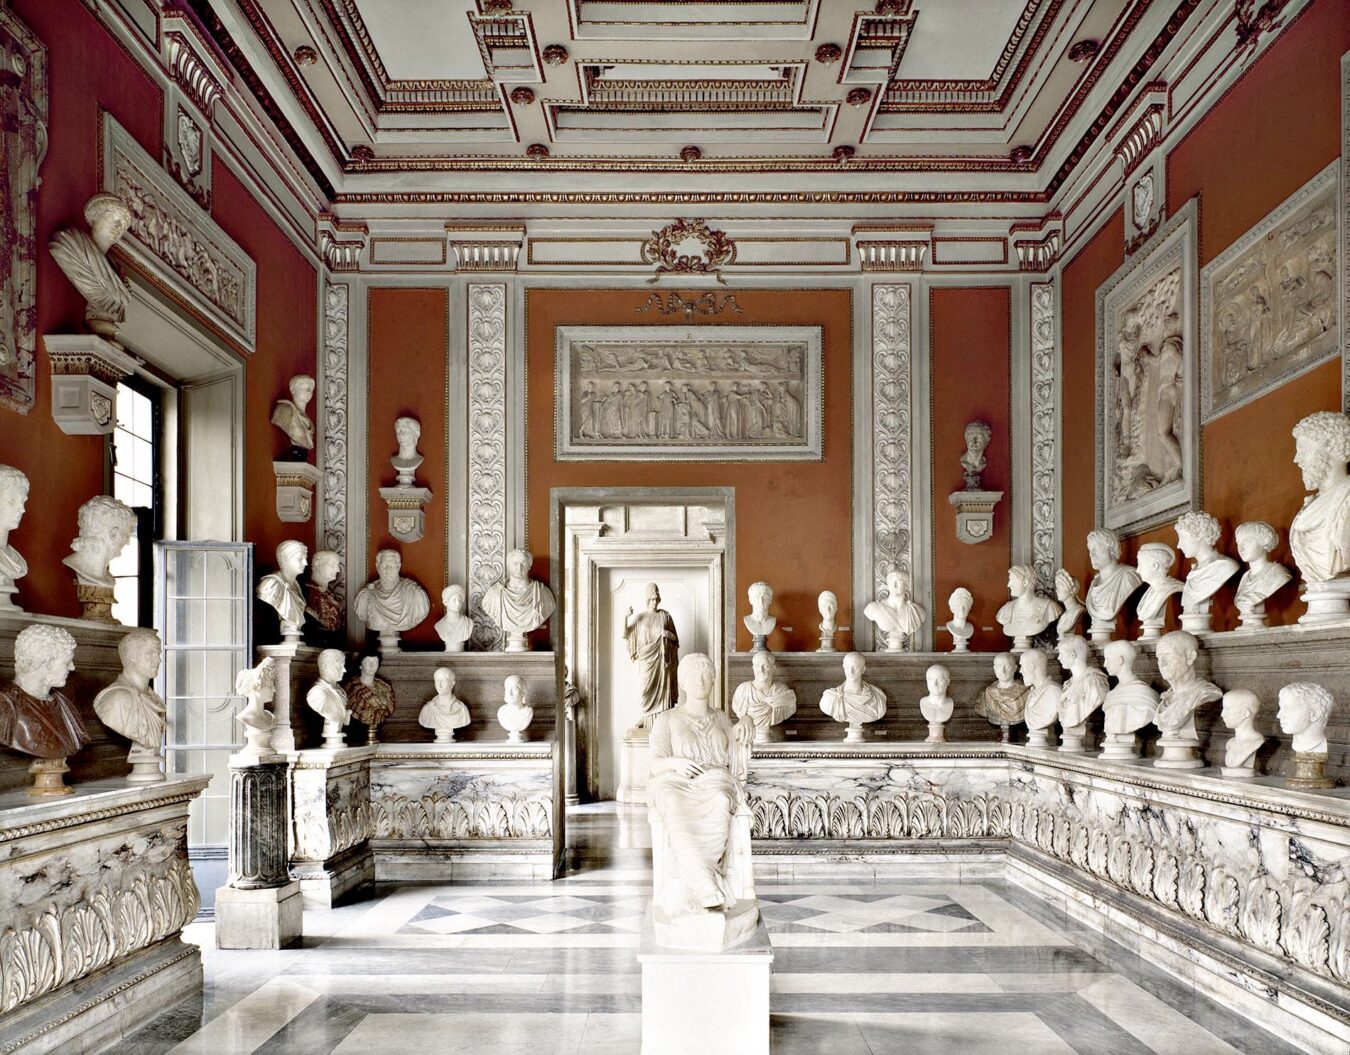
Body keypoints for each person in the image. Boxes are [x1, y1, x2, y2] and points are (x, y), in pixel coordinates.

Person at [649, 653, 754, 916]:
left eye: (707, 673)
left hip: (715, 779)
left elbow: (734, 750)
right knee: (672, 803)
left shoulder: (721, 718)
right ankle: (703, 883)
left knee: (720, 799)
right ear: (682, 682)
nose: (701, 679)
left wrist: (747, 722)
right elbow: (654, 764)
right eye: (694, 674)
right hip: (676, 780)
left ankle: (699, 879)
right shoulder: (666, 719)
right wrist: (675, 763)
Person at [623, 583, 679, 729]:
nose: (655, 602)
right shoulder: (640, 618)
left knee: (663, 690)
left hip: (663, 661)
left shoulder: (665, 616)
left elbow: (676, 640)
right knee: (645, 690)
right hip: (647, 660)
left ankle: (664, 719)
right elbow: (626, 636)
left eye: (657, 598)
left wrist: (667, 634)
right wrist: (625, 617)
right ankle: (645, 715)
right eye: (652, 599)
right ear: (647, 599)